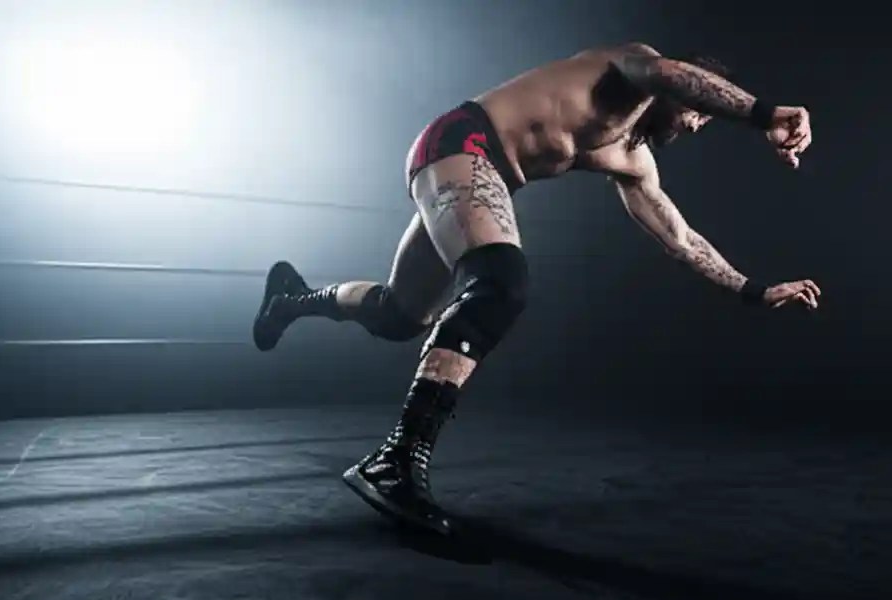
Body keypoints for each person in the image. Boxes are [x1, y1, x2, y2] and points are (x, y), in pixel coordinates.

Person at [252, 43, 821, 533]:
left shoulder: (633, 160)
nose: (697, 125)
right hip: (464, 143)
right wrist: (766, 113)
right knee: (500, 285)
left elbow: (681, 239)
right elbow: (673, 75)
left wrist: (756, 290)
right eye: (700, 111)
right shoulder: (636, 66)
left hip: (478, 174)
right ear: (694, 88)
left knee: (401, 316)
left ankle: (291, 300)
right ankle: (394, 461)